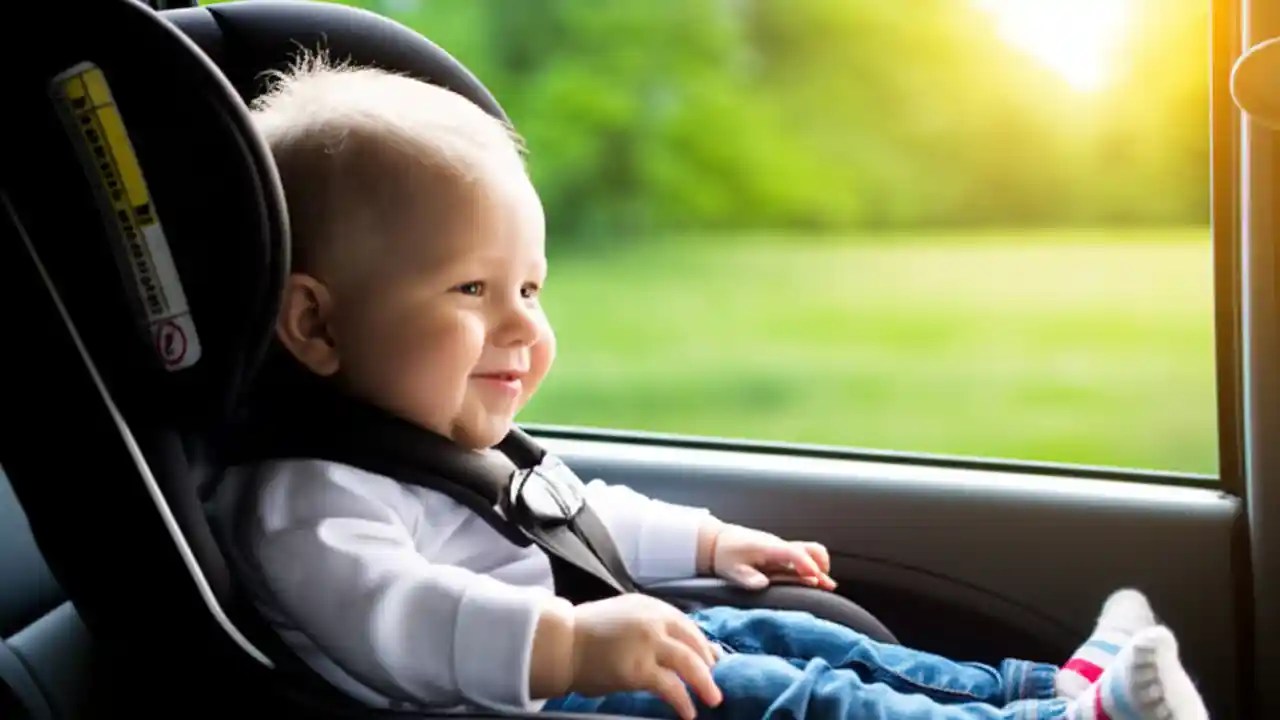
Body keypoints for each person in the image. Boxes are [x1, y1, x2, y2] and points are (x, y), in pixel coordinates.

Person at [206, 53, 1211, 720]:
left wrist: (713, 543)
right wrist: (565, 645)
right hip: (536, 702)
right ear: (315, 323)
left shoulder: (446, 449)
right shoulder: (303, 495)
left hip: (584, 660)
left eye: (529, 288)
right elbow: (394, 617)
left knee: (786, 638)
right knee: (791, 695)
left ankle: (1047, 689)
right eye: (470, 290)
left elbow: (576, 513)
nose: (520, 325)